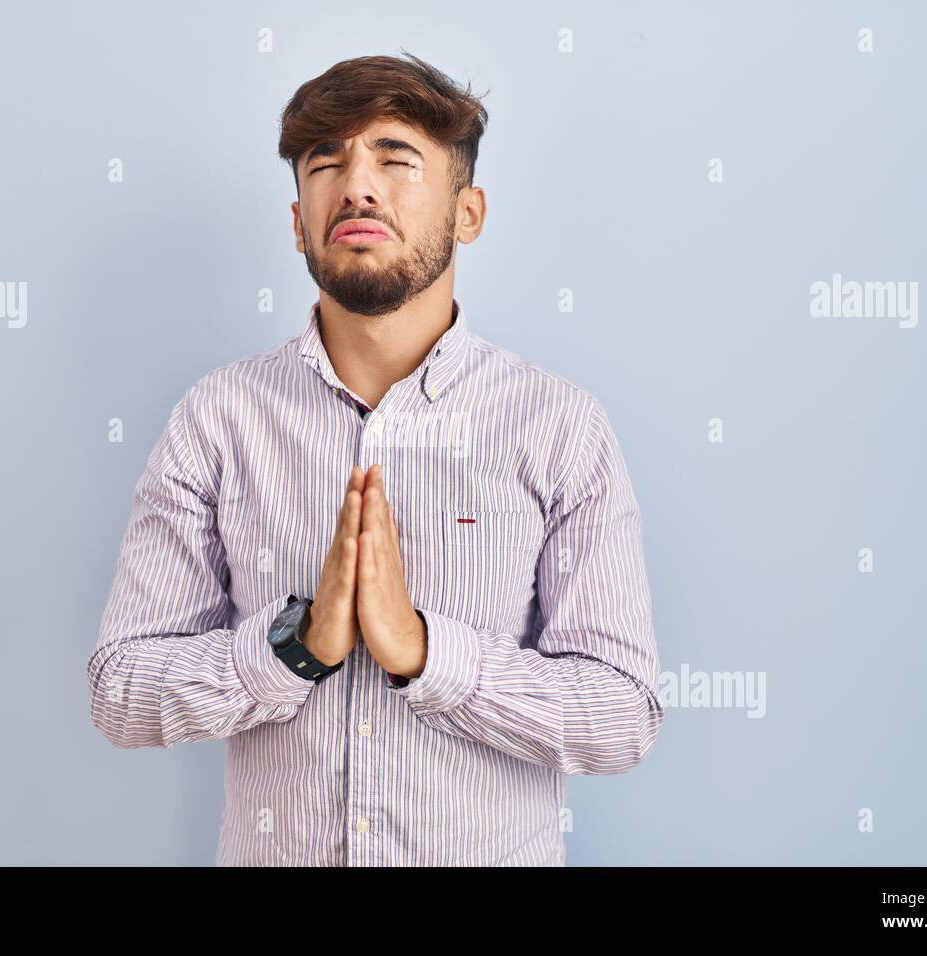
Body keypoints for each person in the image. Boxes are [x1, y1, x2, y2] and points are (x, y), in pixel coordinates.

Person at [87, 51, 664, 866]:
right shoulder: (217, 419)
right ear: (297, 222)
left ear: (469, 213)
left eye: (396, 159)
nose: (357, 185)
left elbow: (621, 714)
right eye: (327, 162)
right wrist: (292, 647)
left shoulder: (559, 427)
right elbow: (120, 691)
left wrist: (429, 652)